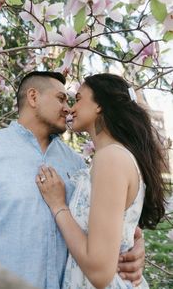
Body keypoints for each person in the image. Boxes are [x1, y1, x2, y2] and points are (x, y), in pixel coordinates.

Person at [0, 71, 145, 289]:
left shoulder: (79, 166)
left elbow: (113, 225)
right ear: (33, 97)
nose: (68, 108)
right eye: (61, 98)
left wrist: (137, 245)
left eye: (71, 100)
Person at [37, 73, 167, 289]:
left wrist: (58, 206)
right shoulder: (113, 157)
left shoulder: (111, 158)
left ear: (99, 105)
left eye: (78, 98)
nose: (70, 108)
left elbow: (99, 272)